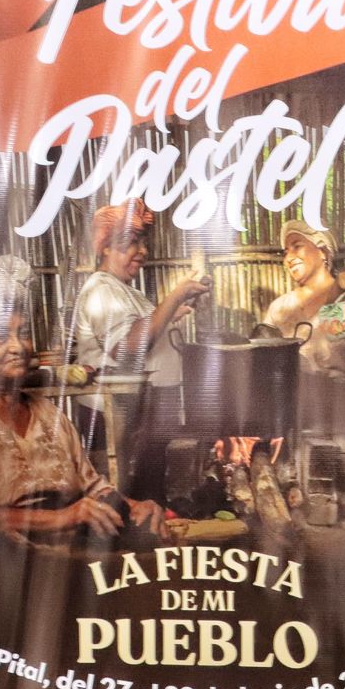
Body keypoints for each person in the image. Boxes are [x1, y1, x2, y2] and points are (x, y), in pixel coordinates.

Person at [0, 255, 163, 545]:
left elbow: (93, 487)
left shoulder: (48, 415)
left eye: (22, 334)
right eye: (0, 337)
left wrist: (133, 506)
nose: (17, 347)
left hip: (70, 560)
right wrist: (61, 518)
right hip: (3, 570)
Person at [70, 199, 210, 496]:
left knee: (147, 495)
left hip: (141, 413)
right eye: (131, 243)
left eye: (143, 243)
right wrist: (176, 295)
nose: (142, 252)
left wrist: (179, 308)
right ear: (106, 246)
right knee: (122, 498)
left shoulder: (125, 292)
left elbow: (152, 328)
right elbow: (129, 347)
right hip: (115, 418)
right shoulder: (100, 290)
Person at [260, 221, 345, 375]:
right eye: (286, 252)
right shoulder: (279, 307)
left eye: (297, 246)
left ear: (322, 251)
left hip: (340, 395)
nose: (289, 258)